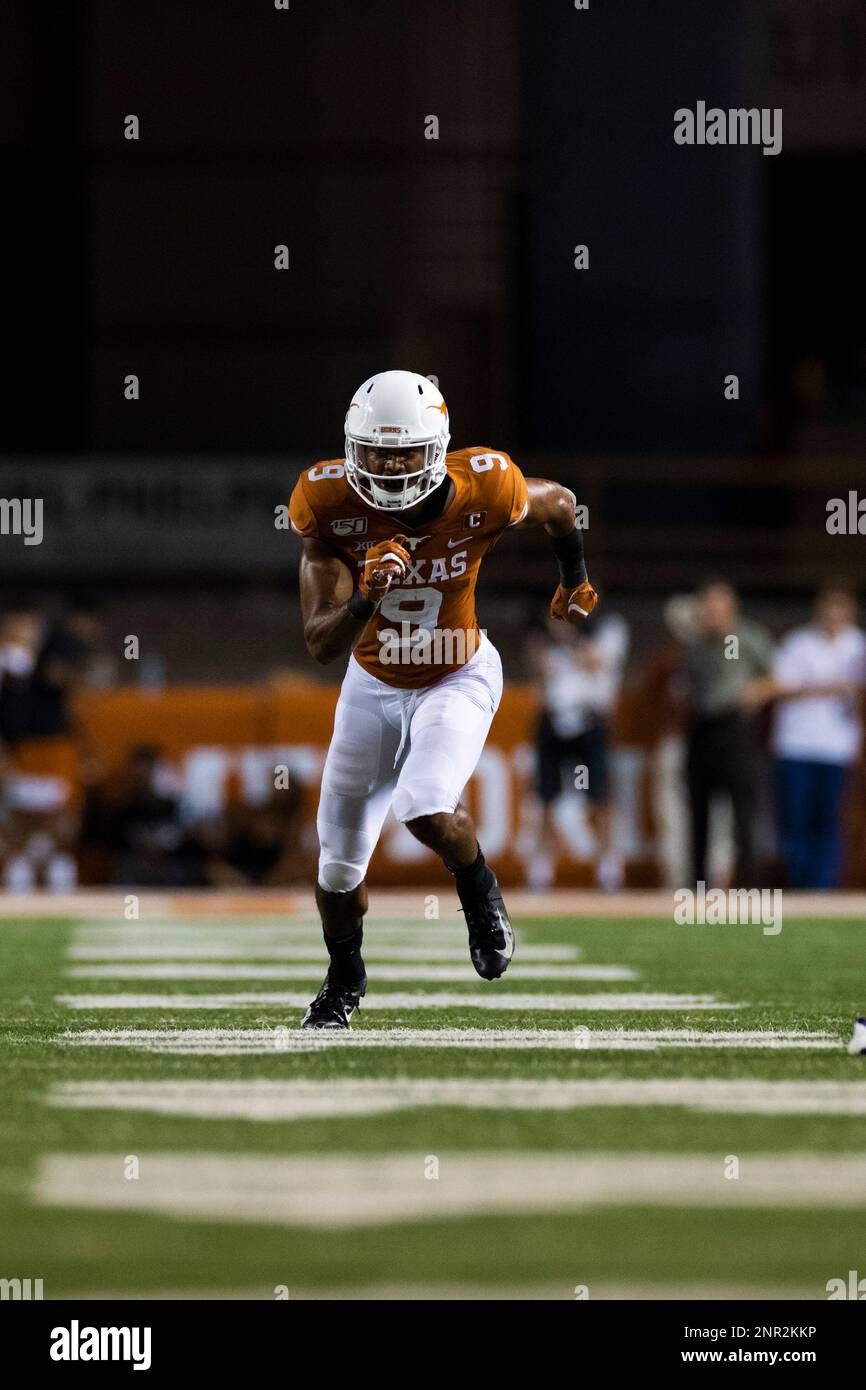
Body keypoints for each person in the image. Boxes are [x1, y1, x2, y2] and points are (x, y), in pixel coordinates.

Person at [288, 369, 597, 1028]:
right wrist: (367, 594)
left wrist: (573, 580)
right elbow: (319, 643)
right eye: (376, 452)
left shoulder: (486, 483)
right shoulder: (326, 503)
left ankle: (480, 894)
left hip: (457, 673)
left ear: (436, 447)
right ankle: (345, 979)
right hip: (372, 683)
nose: (391, 465)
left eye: (403, 451)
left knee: (424, 805)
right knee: (338, 865)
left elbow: (562, 504)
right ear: (352, 448)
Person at [669, 581, 774, 886]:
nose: (711, 614)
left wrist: (756, 690)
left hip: (735, 728)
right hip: (702, 729)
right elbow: (683, 683)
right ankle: (698, 884)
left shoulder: (750, 638)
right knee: (698, 809)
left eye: (717, 607)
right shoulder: (695, 644)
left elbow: (773, 678)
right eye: (707, 607)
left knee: (742, 809)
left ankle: (747, 883)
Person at [526, 610, 628, 890]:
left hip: (589, 719)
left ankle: (608, 867)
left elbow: (598, 663)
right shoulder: (544, 640)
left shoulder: (607, 629)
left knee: (600, 796)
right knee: (545, 796)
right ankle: (541, 868)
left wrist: (570, 640)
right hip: (554, 721)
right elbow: (539, 673)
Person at [771, 586, 866, 889]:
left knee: (829, 822)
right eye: (829, 607)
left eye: (841, 608)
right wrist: (832, 687)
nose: (834, 615)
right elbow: (781, 688)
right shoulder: (799, 643)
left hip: (837, 746)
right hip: (797, 744)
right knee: (797, 820)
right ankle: (799, 885)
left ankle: (823, 888)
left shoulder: (858, 645)